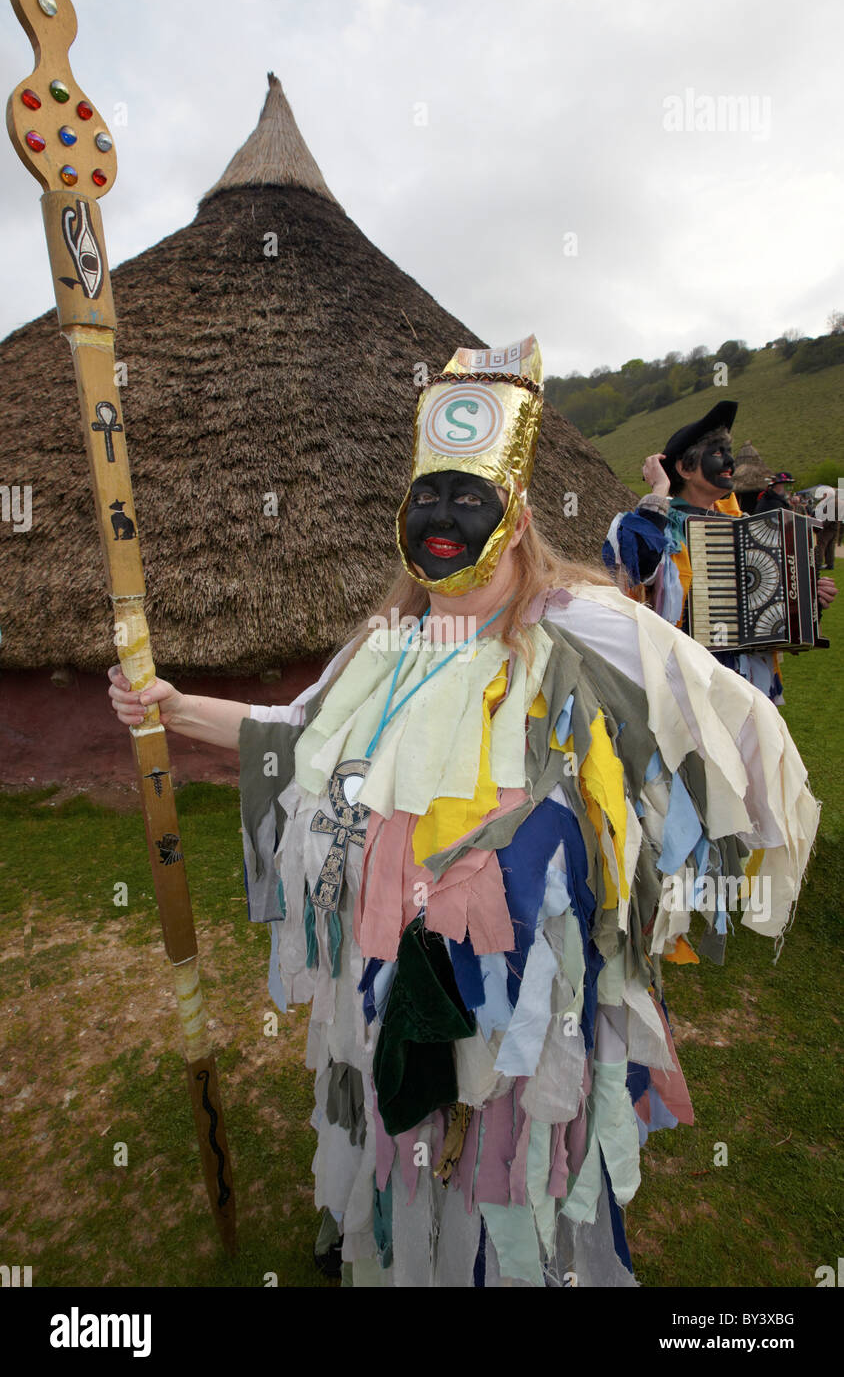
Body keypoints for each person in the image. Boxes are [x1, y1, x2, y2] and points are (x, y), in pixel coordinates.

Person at [109, 342, 819, 1287]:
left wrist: (686, 853)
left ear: (517, 517)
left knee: (511, 1136)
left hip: (519, 974)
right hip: (387, 957)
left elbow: (737, 720)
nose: (443, 519)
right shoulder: (388, 640)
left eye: (468, 499)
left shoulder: (581, 618)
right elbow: (296, 732)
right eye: (427, 499)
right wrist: (169, 705)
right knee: (407, 1118)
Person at [602, 401, 837, 704]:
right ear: (684, 468)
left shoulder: (751, 529)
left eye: (728, 452)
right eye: (716, 453)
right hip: (681, 684)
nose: (729, 462)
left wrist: (809, 600)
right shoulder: (651, 523)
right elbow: (634, 569)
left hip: (742, 686)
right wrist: (659, 488)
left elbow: (771, 612)